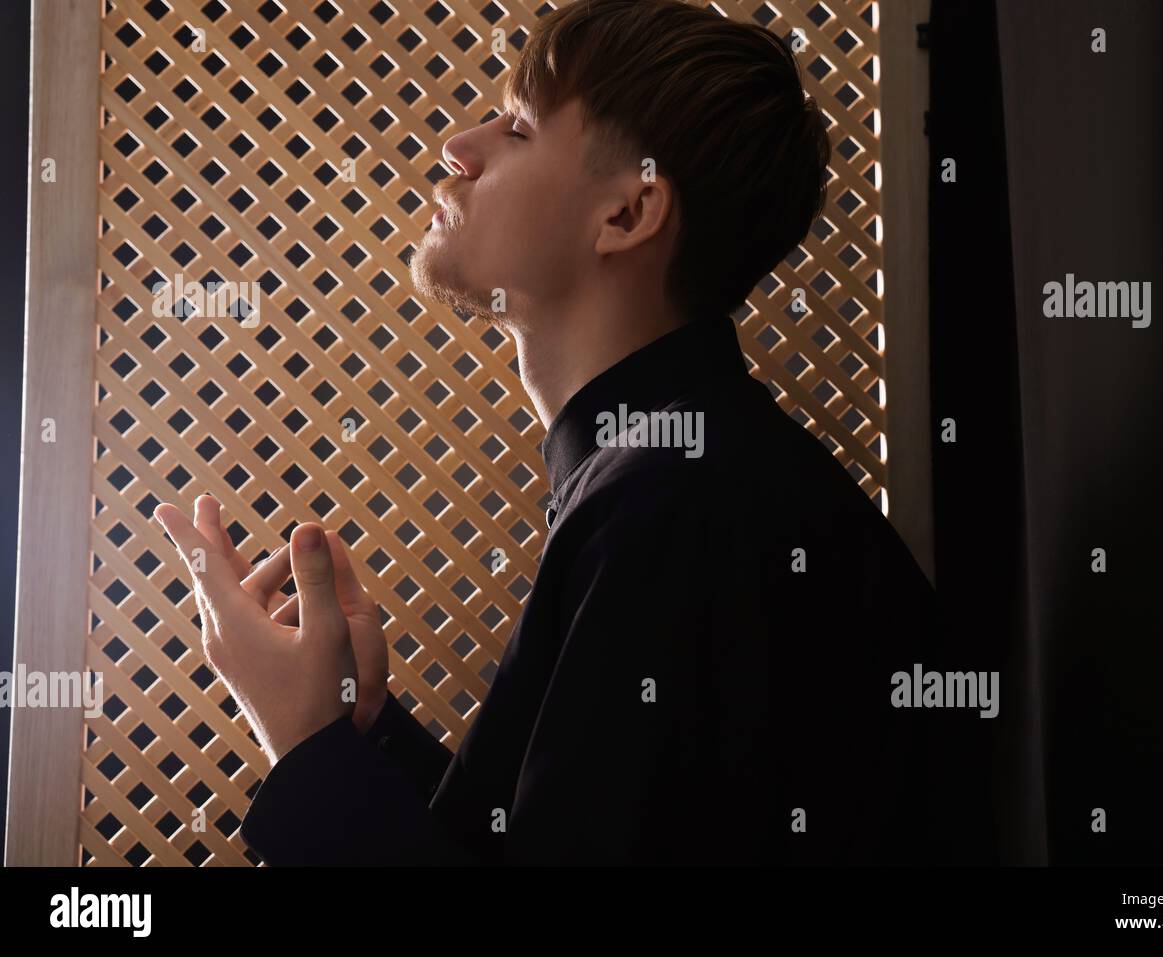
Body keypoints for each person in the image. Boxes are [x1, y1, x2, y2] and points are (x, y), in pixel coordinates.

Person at [154, 0, 980, 865]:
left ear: (628, 214)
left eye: (515, 127)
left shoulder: (676, 509)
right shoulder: (677, 476)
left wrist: (303, 738)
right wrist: (362, 730)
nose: (458, 147)